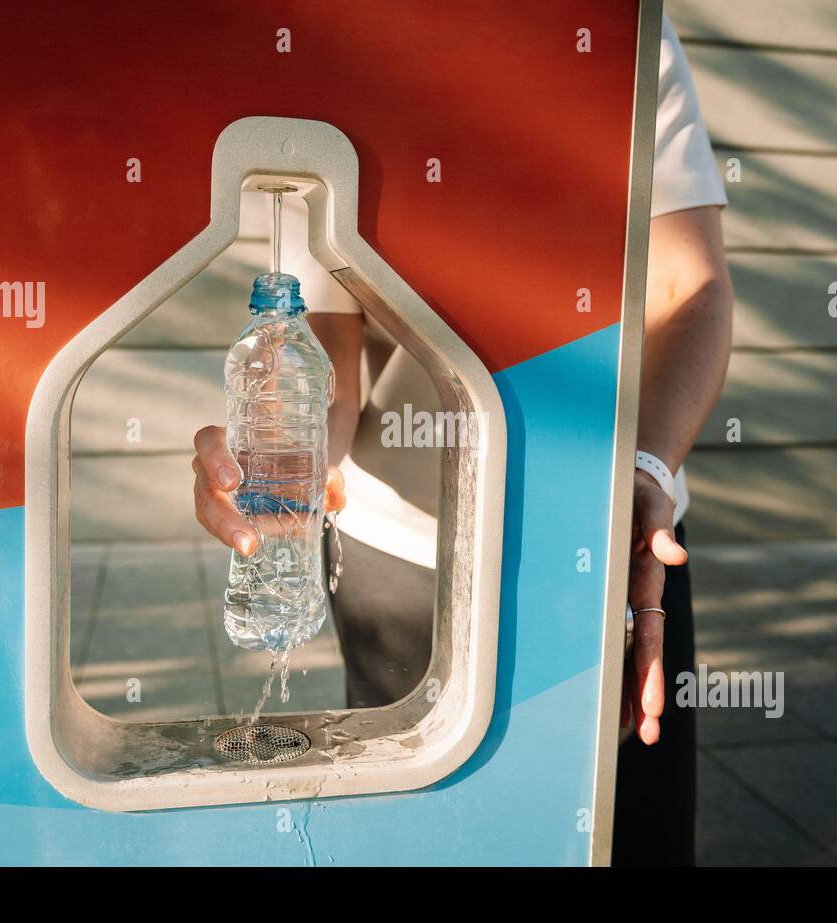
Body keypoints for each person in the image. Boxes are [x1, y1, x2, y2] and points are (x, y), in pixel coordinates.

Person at [192, 14, 732, 866]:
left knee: (632, 831)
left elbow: (689, 287)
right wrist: (291, 460)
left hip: (611, 524)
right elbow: (330, 334)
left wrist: (648, 464)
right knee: (431, 838)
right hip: (400, 557)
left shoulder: (621, 37)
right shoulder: (336, 50)